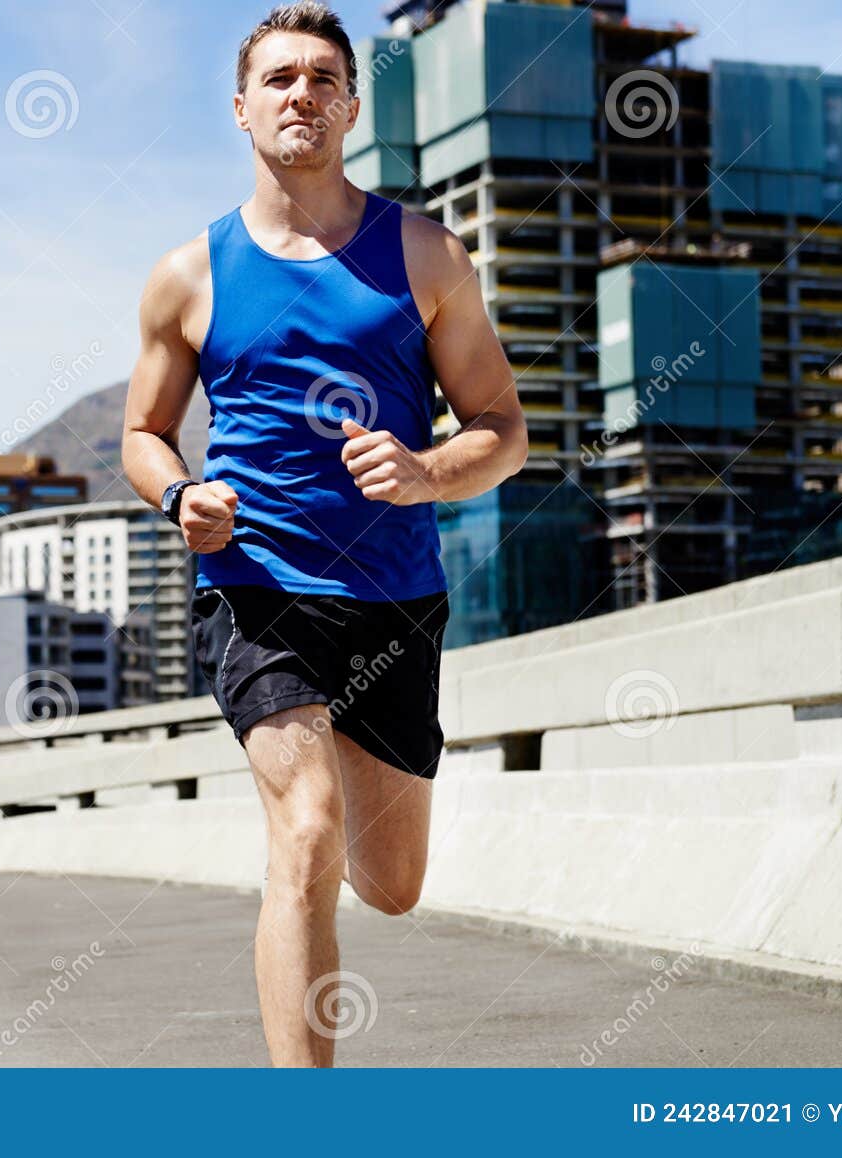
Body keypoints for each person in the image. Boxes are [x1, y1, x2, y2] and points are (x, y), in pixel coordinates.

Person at [120, 1, 526, 1067]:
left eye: (321, 78)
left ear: (349, 104)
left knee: (389, 888)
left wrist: (425, 470)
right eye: (279, 79)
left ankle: (335, 836)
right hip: (258, 590)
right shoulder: (188, 273)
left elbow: (504, 430)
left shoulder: (427, 255)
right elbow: (143, 434)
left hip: (393, 598)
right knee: (302, 834)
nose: (300, 94)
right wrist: (179, 500)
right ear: (242, 108)